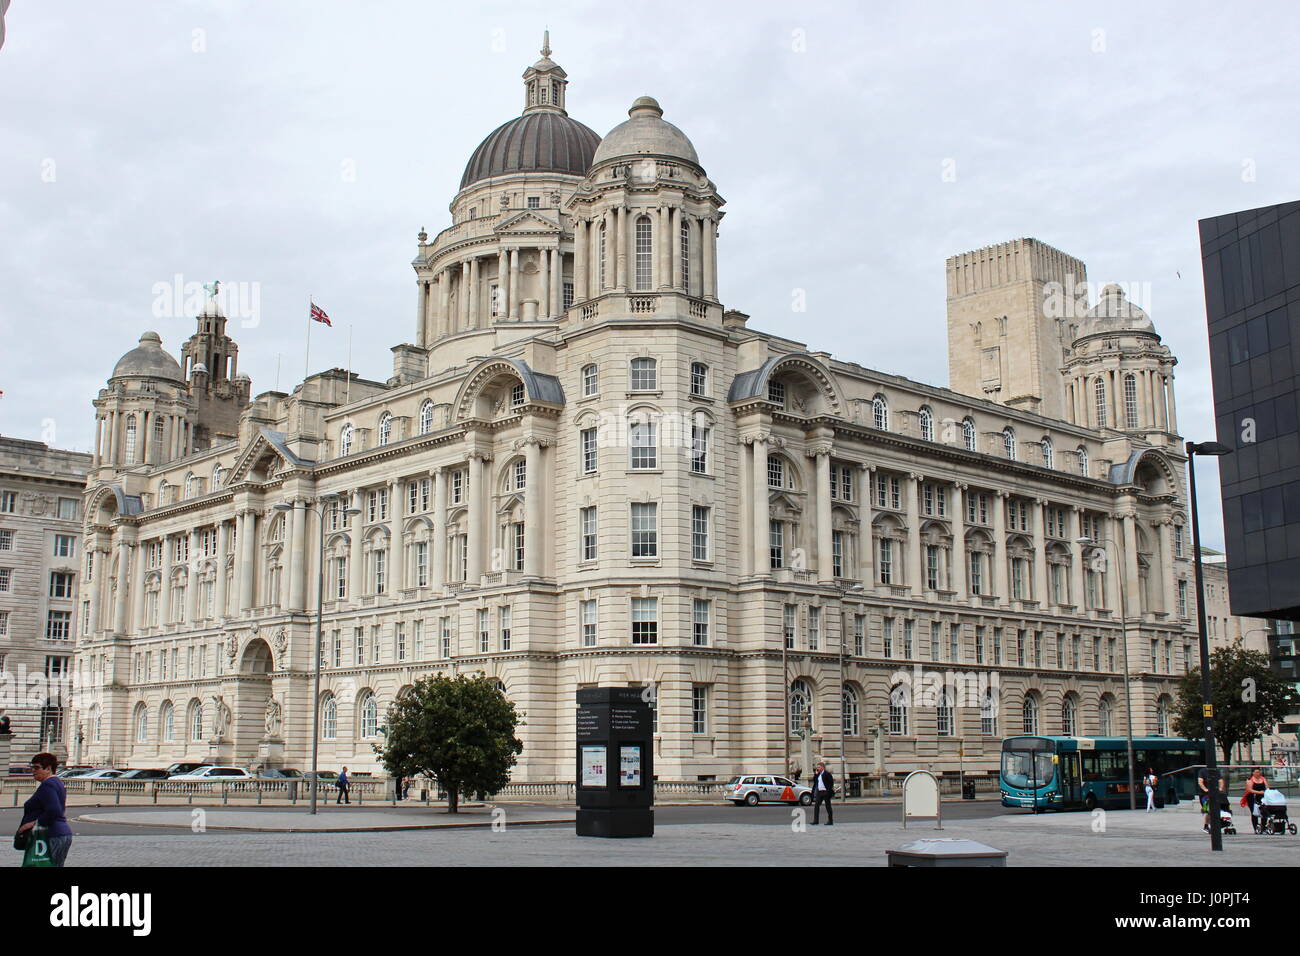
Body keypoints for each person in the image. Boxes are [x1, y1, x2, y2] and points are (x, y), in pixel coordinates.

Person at [17, 752, 73, 867]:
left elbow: (54, 810)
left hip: (50, 835)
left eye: (37, 767)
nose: (33, 771)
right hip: (59, 833)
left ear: (48, 768)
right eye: (32, 767)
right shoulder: (57, 783)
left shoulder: (48, 785)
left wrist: (32, 824)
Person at [810, 761, 835, 826]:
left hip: (825, 792)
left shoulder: (827, 774)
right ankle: (816, 820)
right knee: (816, 806)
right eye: (817, 767)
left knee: (828, 806)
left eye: (819, 767)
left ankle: (830, 820)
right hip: (819, 792)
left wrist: (828, 791)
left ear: (823, 767)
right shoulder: (818, 774)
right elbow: (815, 781)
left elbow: (831, 783)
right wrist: (816, 774)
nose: (817, 768)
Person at [1244, 767, 1268, 833]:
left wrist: (1266, 792)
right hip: (1252, 797)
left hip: (1262, 797)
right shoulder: (1250, 780)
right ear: (1253, 773)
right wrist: (1259, 792)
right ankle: (1256, 828)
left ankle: (1264, 827)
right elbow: (1249, 789)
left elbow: (1267, 787)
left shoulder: (1263, 779)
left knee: (1264, 811)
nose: (1258, 773)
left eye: (1259, 772)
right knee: (1254, 812)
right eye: (1256, 772)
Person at [1197, 766, 1212, 832]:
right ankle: (1206, 826)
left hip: (1213, 793)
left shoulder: (1215, 771)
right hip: (1204, 795)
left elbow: (1220, 780)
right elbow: (1200, 782)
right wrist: (1205, 789)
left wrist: (1220, 788)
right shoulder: (1202, 771)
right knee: (1208, 809)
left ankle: (1211, 825)